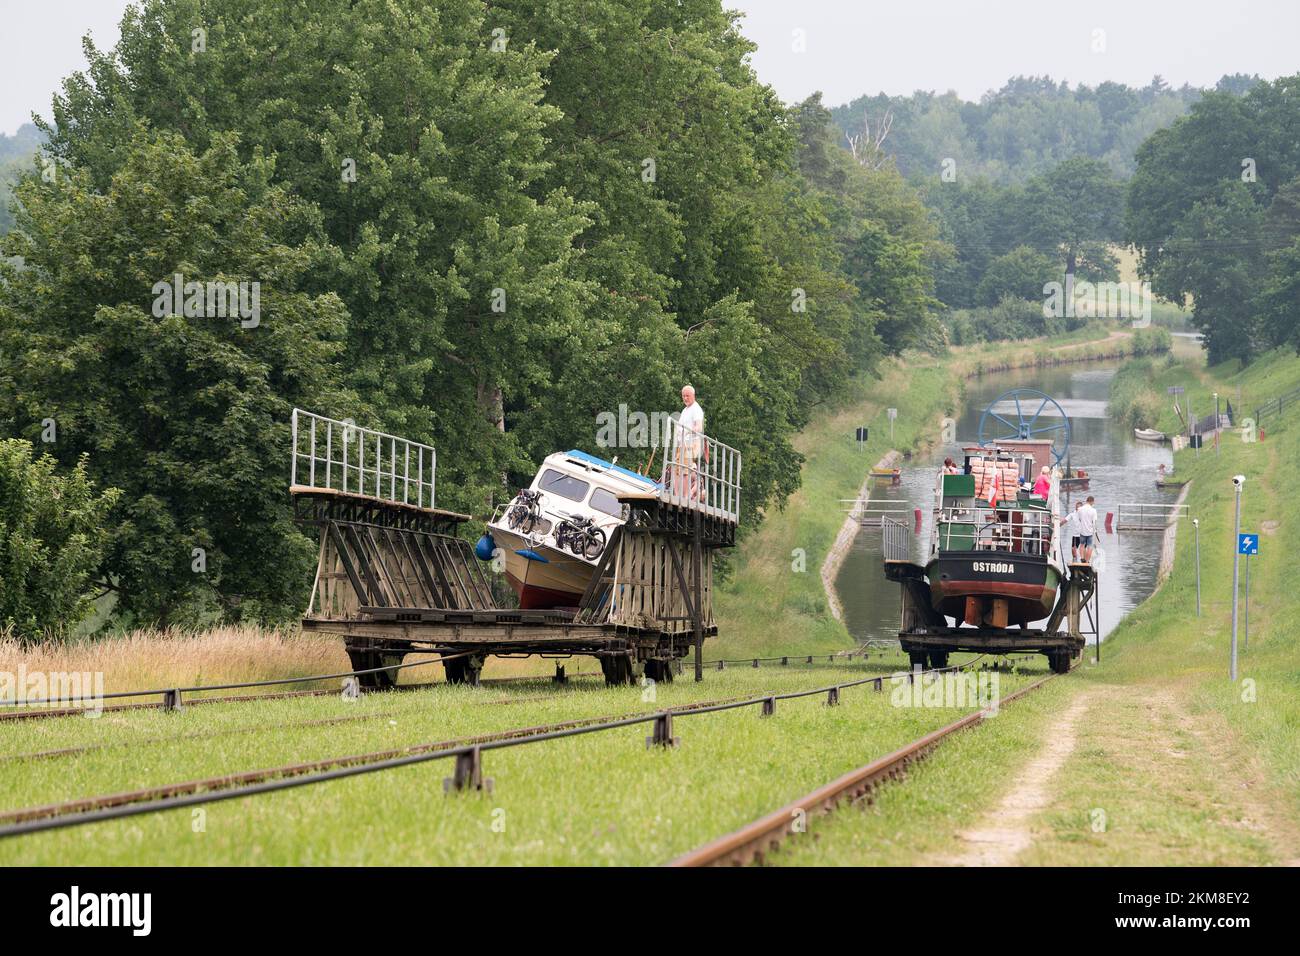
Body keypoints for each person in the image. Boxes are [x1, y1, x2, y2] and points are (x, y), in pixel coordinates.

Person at [673, 384, 706, 500]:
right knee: (677, 469)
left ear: (693, 396)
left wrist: (688, 432)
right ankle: (677, 495)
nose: (685, 398)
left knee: (685, 470)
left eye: (687, 396)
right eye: (683, 396)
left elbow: (699, 427)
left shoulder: (696, 409)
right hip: (682, 443)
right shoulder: (685, 410)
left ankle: (685, 496)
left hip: (690, 443)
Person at [1077, 495, 1099, 563]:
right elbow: (1094, 522)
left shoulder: (1080, 509)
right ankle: (1087, 561)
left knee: (1082, 545)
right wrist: (1095, 531)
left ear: (1086, 501)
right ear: (1092, 502)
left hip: (1082, 530)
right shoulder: (1093, 510)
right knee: (1090, 546)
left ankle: (1082, 558)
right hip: (1090, 531)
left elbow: (1079, 519)